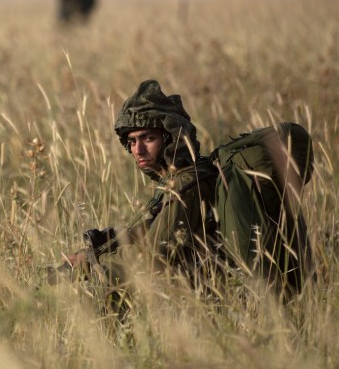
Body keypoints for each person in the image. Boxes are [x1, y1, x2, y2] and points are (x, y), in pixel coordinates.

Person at [56, 79, 312, 309]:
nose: (138, 149)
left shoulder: (188, 183)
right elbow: (156, 230)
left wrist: (89, 265)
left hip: (213, 302)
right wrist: (102, 246)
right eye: (132, 141)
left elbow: (153, 258)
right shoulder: (179, 179)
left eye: (147, 138)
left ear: (171, 138)